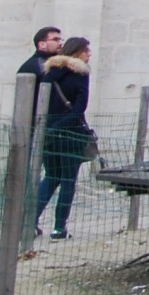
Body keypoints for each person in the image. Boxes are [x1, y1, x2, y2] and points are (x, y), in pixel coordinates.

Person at [35, 38, 94, 241]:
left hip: (48, 133)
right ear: (78, 53)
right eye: (87, 51)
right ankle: (59, 227)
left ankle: (30, 220)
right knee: (68, 180)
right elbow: (79, 109)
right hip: (70, 134)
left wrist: (50, 129)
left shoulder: (50, 73)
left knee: (51, 177)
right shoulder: (80, 75)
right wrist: (61, 127)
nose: (89, 55)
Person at [18, 27, 61, 119]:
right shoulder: (34, 66)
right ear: (42, 44)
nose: (60, 43)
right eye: (55, 40)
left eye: (60, 39)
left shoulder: (53, 64)